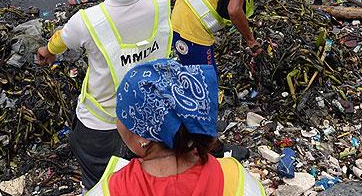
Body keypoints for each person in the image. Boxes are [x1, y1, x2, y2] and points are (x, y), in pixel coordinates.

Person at [37, 0, 172, 190]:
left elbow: (58, 42)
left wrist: (46, 52)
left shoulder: (88, 20)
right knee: (139, 182)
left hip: (99, 126)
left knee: (98, 185)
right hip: (148, 119)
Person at [86, 59, 266, 196]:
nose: (118, 123)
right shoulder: (235, 179)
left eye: (121, 114)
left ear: (143, 137)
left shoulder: (113, 189)